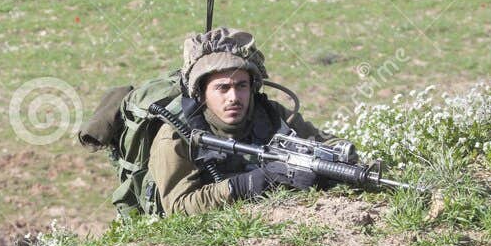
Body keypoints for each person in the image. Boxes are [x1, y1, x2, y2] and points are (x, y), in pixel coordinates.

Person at [79, 27, 329, 216]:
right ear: (201, 93)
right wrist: (250, 184)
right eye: (222, 88)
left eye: (241, 86)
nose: (234, 97)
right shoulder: (175, 133)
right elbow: (178, 206)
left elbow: (325, 143)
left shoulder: (270, 113)